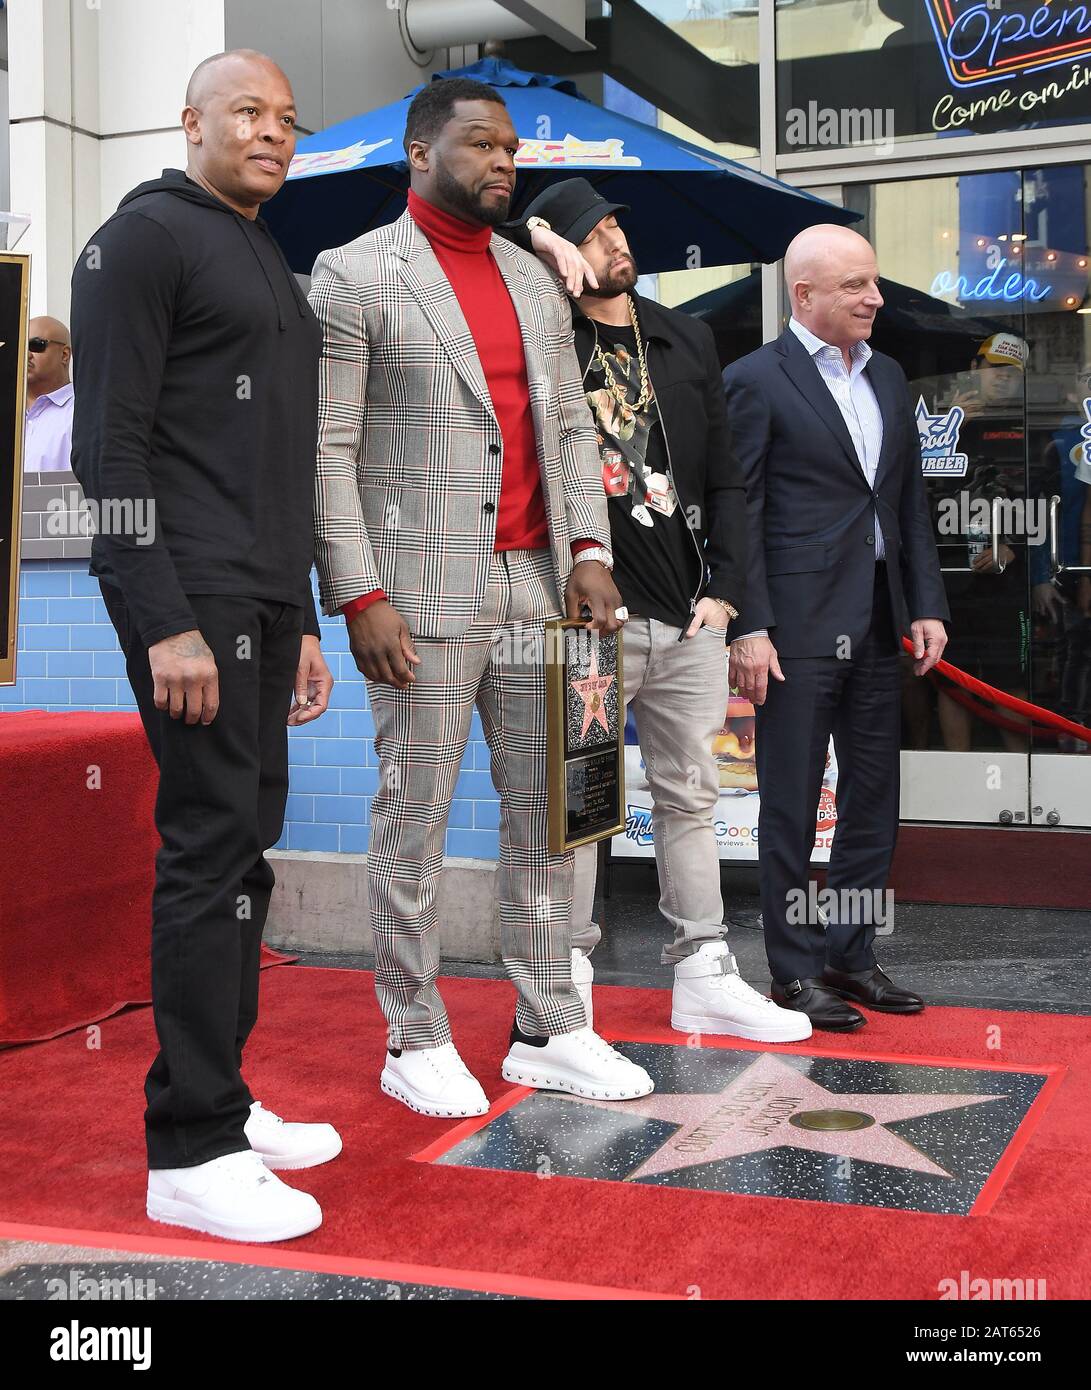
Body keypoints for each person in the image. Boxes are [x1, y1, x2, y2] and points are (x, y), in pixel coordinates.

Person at [309, 78, 654, 1116]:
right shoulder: (352, 275)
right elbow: (325, 449)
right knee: (410, 820)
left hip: (544, 589)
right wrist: (358, 589)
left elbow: (567, 429)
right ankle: (412, 1036)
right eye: (479, 144)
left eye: (511, 147)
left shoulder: (533, 279)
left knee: (560, 814)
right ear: (419, 153)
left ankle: (550, 1023)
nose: (503, 161)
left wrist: (589, 545)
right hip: (416, 594)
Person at [71, 49, 338, 1244]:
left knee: (245, 856)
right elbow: (106, 459)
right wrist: (163, 617)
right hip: (192, 602)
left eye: (287, 119)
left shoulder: (264, 254)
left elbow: (273, 459)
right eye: (248, 112)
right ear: (189, 123)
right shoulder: (140, 242)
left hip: (265, 603)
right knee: (205, 856)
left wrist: (307, 619)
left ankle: (223, 1096)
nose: (272, 133)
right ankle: (187, 1146)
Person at [508, 177, 809, 1042]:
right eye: (592, 232)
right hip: (586, 617)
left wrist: (726, 596)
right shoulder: (541, 336)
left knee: (690, 794)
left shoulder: (682, 335)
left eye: (616, 227)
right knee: (582, 805)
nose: (614, 241)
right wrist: (534, 238)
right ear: (559, 250)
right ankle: (564, 986)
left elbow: (725, 478)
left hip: (686, 615)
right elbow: (474, 241)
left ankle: (704, 972)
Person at [724, 224, 949, 1031]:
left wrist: (924, 603)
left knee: (871, 800)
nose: (873, 298)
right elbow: (738, 511)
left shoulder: (888, 375)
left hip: (878, 615)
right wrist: (749, 625)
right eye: (855, 285)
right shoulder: (753, 379)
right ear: (804, 295)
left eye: (873, 283)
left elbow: (905, 501)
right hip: (793, 630)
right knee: (788, 804)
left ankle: (850, 956)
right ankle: (792, 972)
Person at [24, 317, 74, 472]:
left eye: (36, 345)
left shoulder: (84, 412)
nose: (27, 354)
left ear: (64, 355)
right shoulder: (8, 409)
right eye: (22, 346)